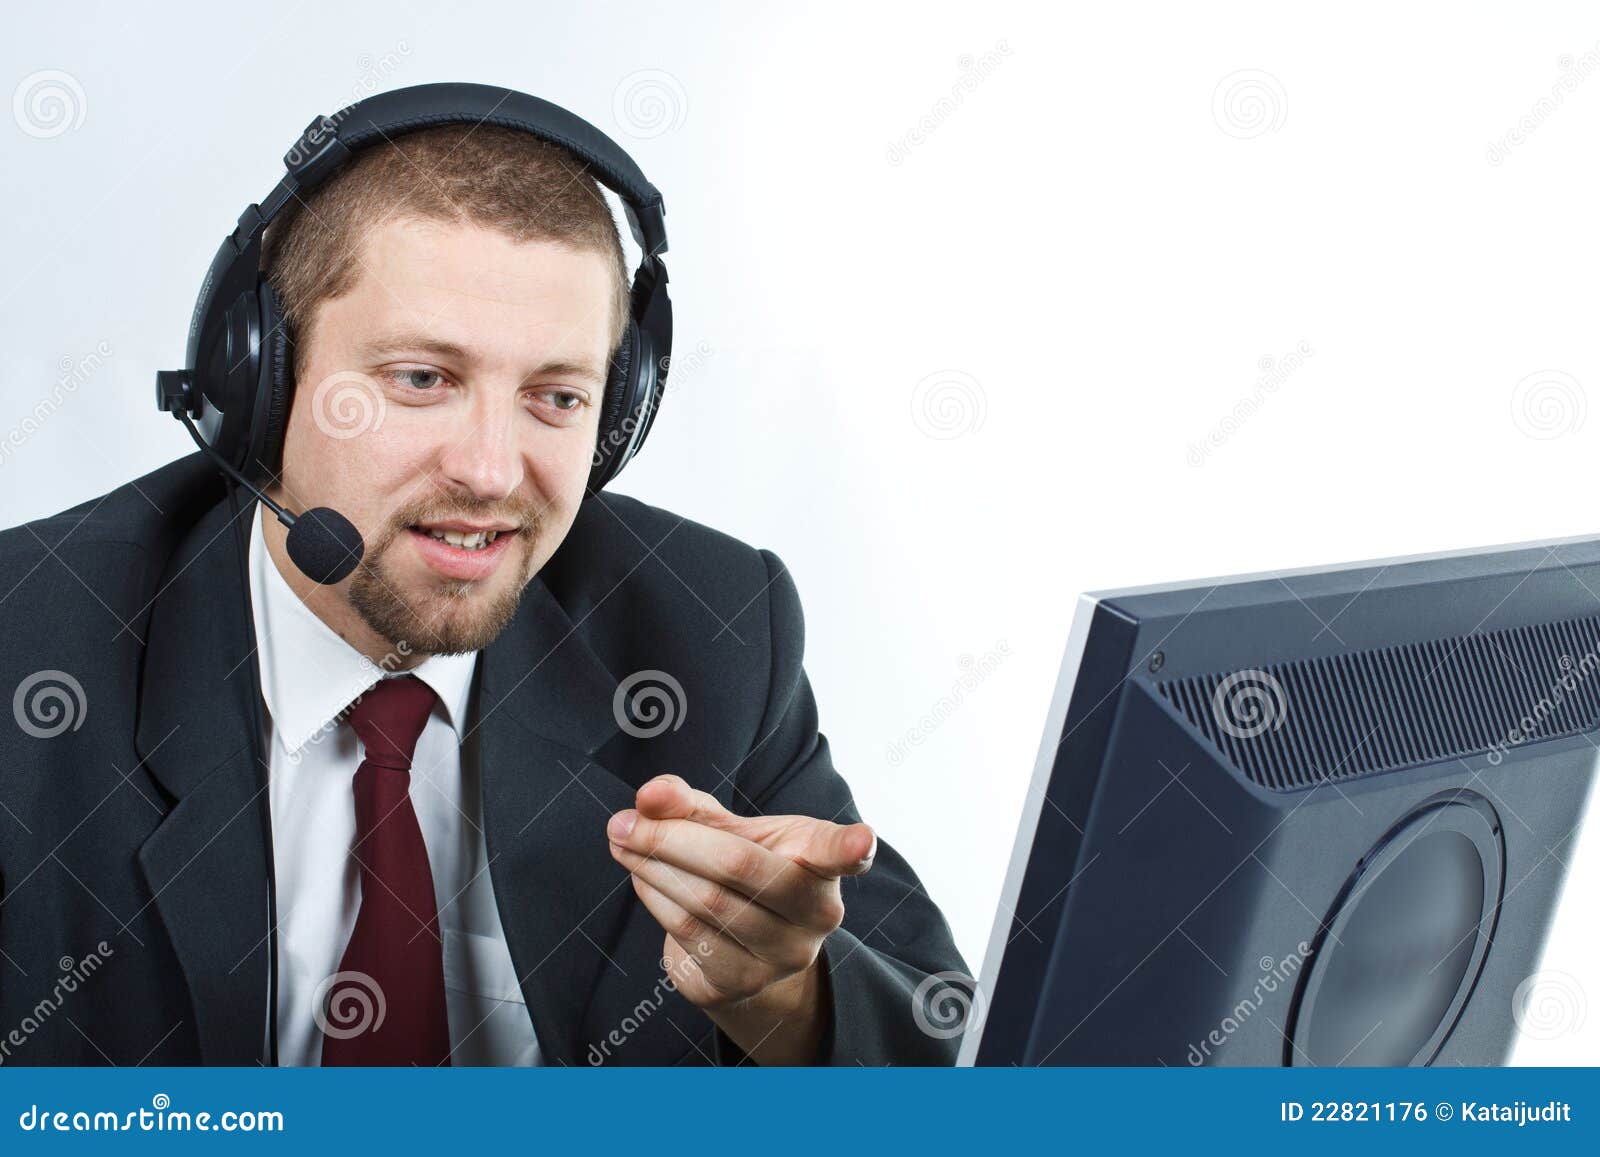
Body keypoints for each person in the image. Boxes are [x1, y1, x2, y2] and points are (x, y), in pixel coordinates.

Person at [0, 86, 970, 1067]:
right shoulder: (29, 640)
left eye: (556, 396)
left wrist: (782, 991)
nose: (492, 471)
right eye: (421, 379)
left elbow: (960, 1061)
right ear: (258, 381)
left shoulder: (708, 629)